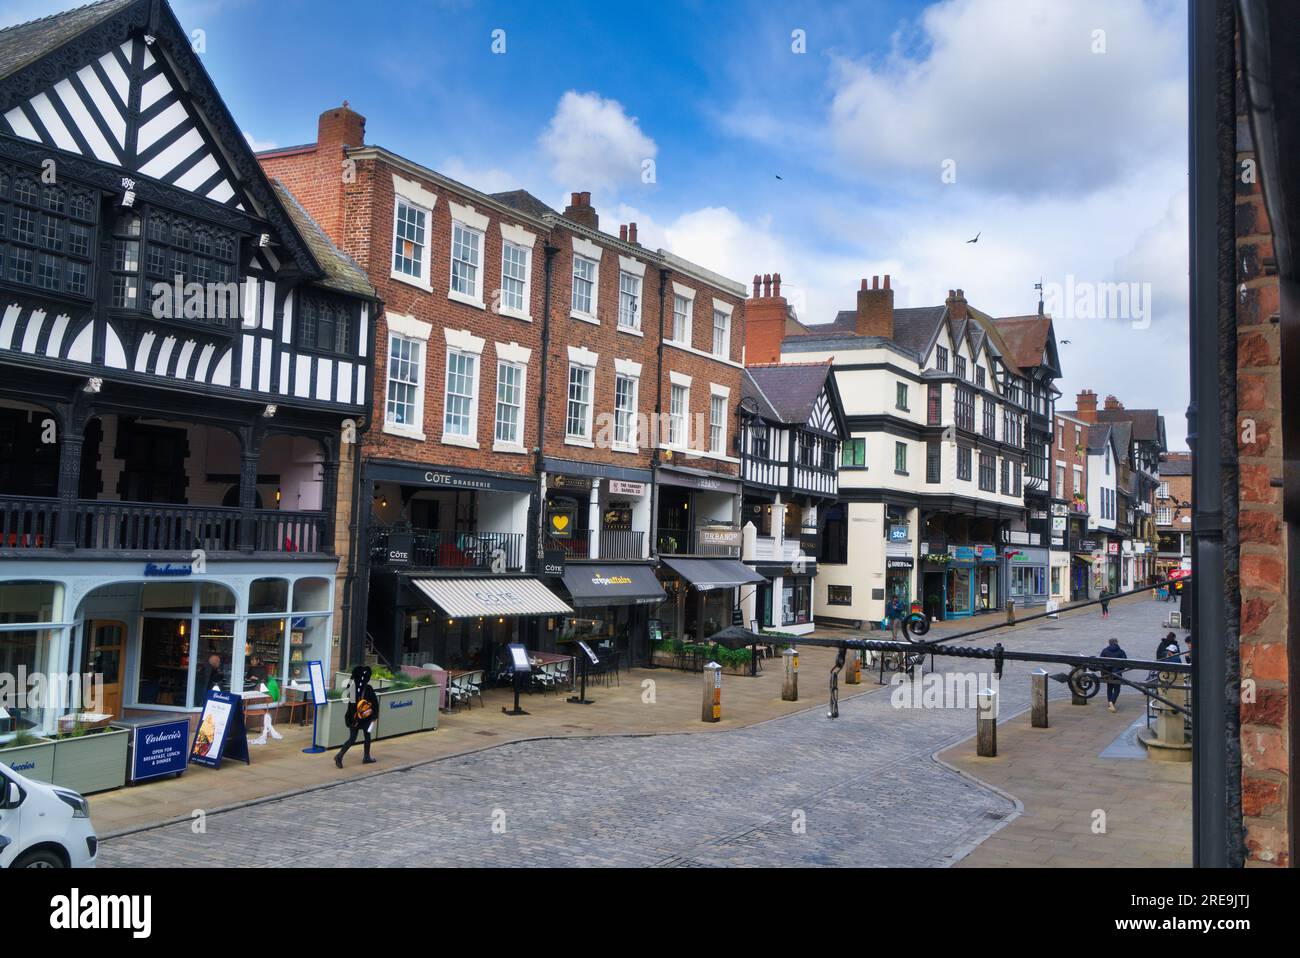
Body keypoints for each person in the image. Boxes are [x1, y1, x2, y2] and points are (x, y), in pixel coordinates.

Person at [335, 665, 379, 767]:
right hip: (366, 718)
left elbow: (351, 707)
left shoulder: (352, 689)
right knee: (367, 737)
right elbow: (375, 704)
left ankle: (339, 756)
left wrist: (352, 719)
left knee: (352, 739)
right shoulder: (368, 689)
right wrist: (374, 717)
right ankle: (366, 757)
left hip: (354, 719)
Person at [1098, 638, 1128, 712]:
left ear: (1109, 643)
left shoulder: (1104, 651)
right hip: (1117, 673)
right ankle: (1112, 702)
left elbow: (1100, 662)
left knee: (1110, 688)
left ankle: (1110, 704)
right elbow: (1125, 663)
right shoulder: (1121, 651)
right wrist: (1119, 669)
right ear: (1116, 643)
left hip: (1107, 673)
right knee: (1117, 689)